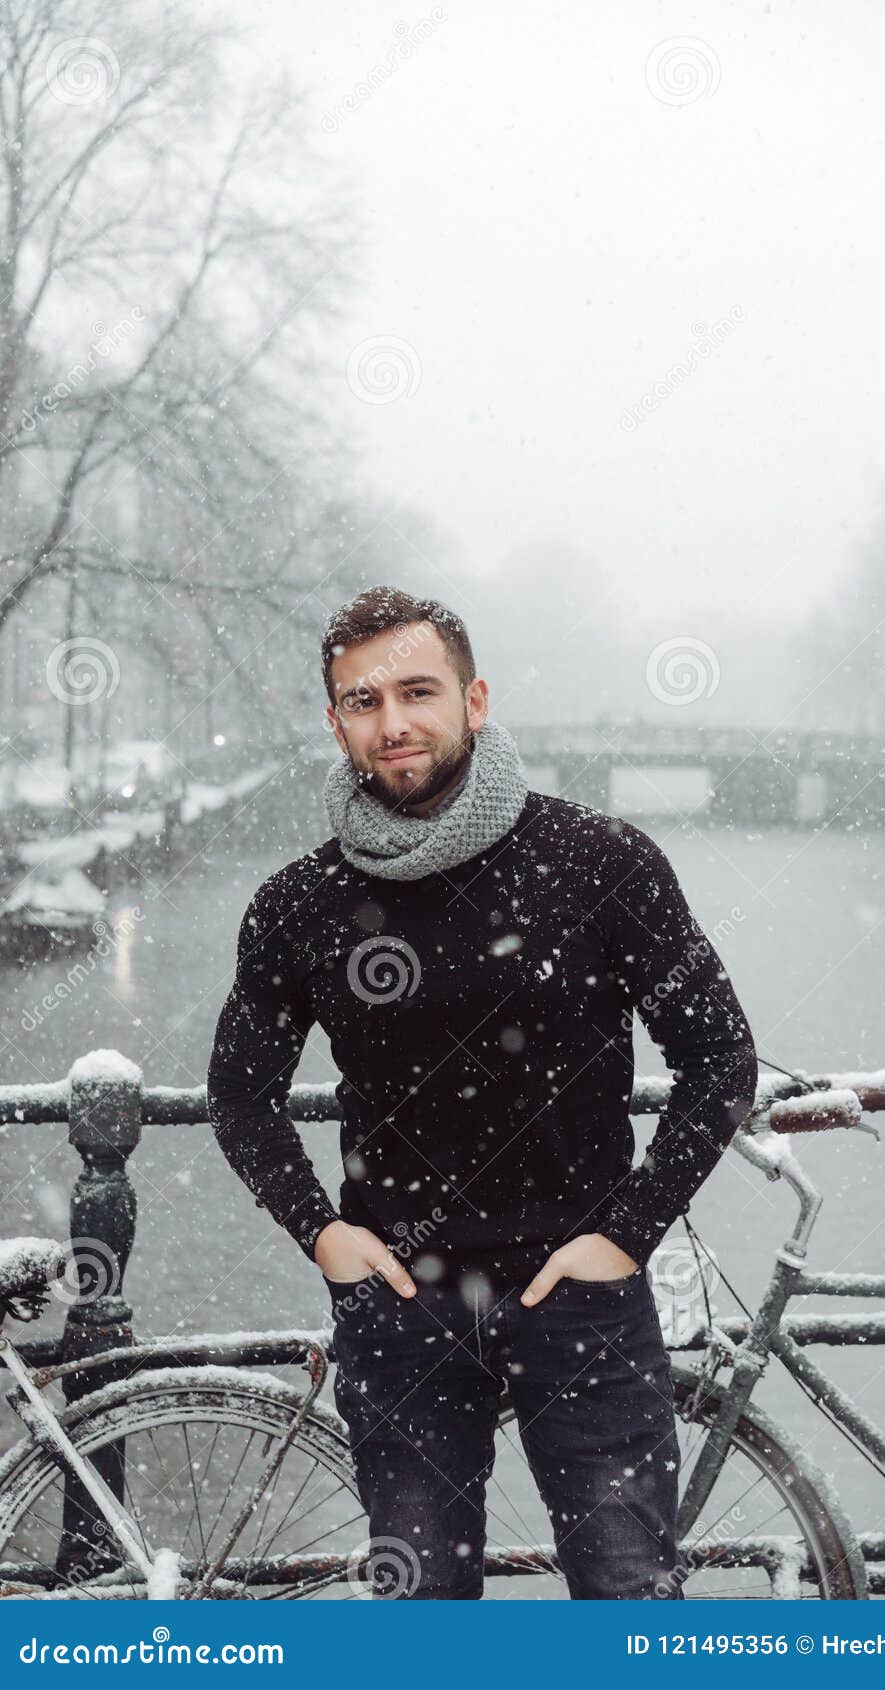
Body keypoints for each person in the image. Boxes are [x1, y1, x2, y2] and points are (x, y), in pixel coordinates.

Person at [207, 584, 758, 1599]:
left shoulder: (599, 863)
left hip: (578, 1294)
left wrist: (622, 1234)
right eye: (363, 701)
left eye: (418, 691)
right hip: (401, 1300)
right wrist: (323, 1233)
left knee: (628, 1600)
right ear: (335, 723)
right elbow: (240, 1093)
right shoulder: (300, 902)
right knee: (425, 1620)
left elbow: (719, 1059)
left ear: (475, 698)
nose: (395, 722)